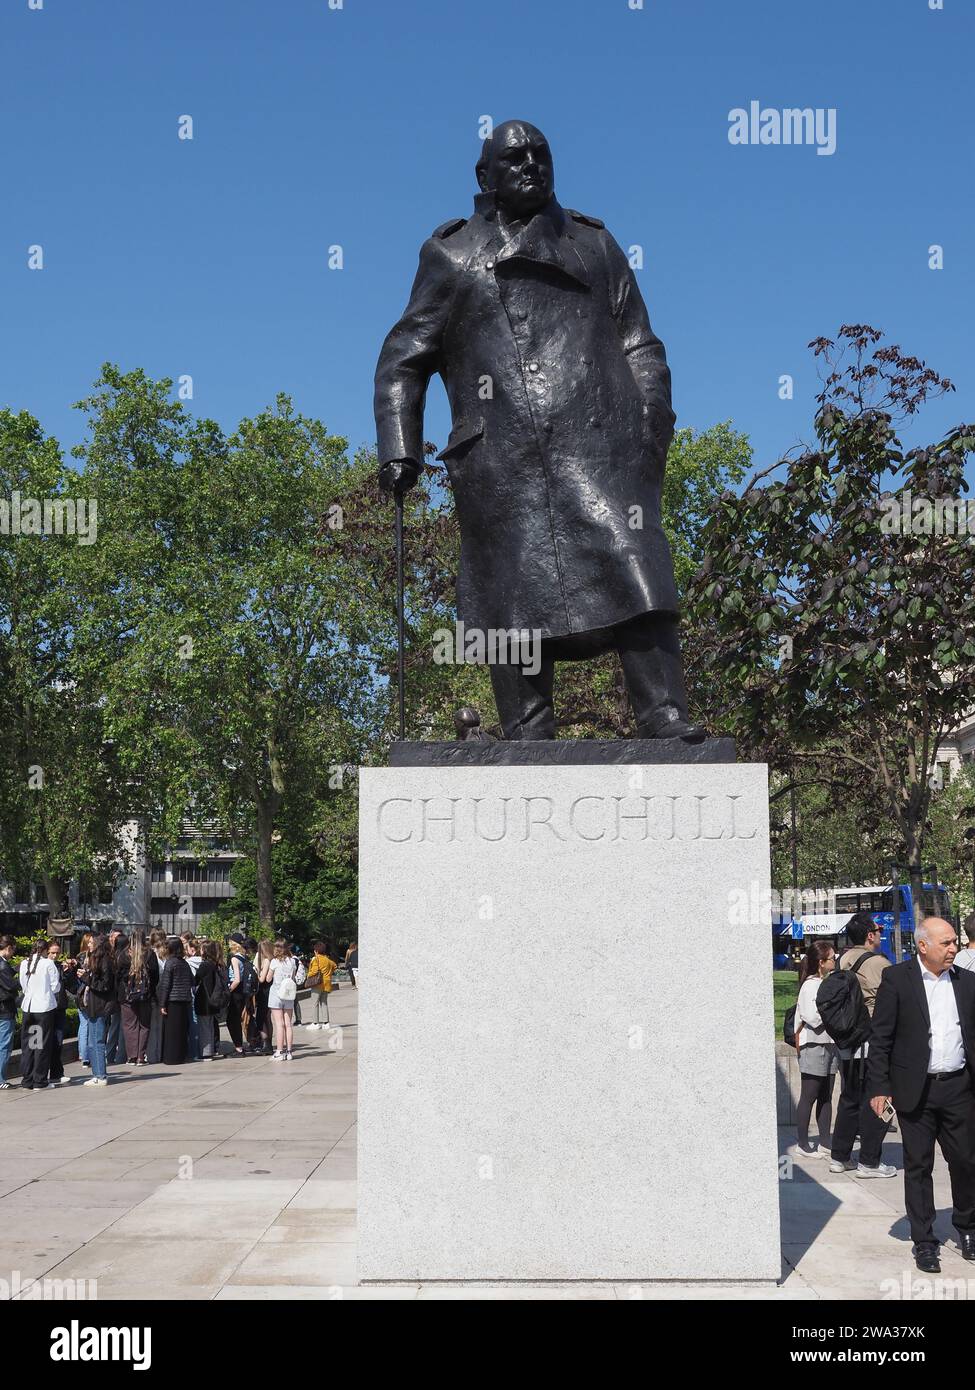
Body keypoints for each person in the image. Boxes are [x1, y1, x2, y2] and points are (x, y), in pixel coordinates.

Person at [868, 916, 975, 1274]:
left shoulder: (968, 982)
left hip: (959, 1087)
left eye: (954, 942)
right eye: (946, 943)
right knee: (918, 1166)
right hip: (916, 1090)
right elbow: (881, 1038)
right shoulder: (897, 979)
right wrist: (880, 1086)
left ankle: (967, 1227)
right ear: (923, 945)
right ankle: (924, 1241)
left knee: (965, 1162)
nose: (953, 948)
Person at [829, 911, 896, 1179]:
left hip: (847, 1041)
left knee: (849, 1099)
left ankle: (840, 1157)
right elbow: (891, 1001)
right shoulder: (878, 963)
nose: (880, 934)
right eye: (878, 931)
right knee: (879, 1098)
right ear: (870, 935)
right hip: (872, 1041)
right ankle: (869, 1162)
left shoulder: (842, 959)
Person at [793, 941, 839, 1156]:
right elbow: (811, 1017)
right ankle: (803, 1144)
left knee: (826, 1096)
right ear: (821, 963)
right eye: (832, 958)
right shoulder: (810, 986)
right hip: (813, 1044)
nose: (835, 961)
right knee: (809, 1095)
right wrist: (834, 1014)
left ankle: (825, 1142)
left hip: (829, 1044)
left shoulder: (824, 983)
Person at [19, 937, 61, 1090]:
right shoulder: (48, 963)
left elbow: (23, 984)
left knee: (30, 1044)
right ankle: (40, 1080)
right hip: (43, 1009)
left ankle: (28, 1079)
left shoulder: (24, 963)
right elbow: (55, 986)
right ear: (45, 950)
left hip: (28, 1008)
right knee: (41, 1045)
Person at [76, 932, 117, 1087]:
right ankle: (96, 1074)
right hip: (94, 1004)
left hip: (100, 1005)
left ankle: (100, 1075)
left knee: (97, 1040)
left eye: (92, 943)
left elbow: (104, 985)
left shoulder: (105, 960)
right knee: (92, 1041)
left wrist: (86, 978)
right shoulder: (97, 960)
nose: (89, 945)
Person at [116, 928, 153, 1065]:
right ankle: (141, 1056)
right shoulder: (149, 954)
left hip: (126, 995)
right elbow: (154, 975)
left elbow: (118, 975)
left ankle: (131, 1056)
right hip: (145, 995)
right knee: (144, 1025)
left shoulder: (123, 955)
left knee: (129, 1025)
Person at [157, 937, 194, 1066]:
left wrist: (162, 1003)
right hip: (185, 999)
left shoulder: (170, 963)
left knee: (171, 1031)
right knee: (182, 1030)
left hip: (172, 1000)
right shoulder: (184, 963)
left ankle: (171, 1057)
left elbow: (165, 985)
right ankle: (181, 1056)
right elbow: (192, 980)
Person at [265, 938, 299, 1061]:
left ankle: (279, 1051)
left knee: (279, 1024)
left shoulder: (274, 962)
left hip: (276, 994)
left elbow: (268, 979)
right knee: (288, 1024)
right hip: (288, 994)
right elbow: (293, 978)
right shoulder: (292, 962)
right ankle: (289, 1052)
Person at [193, 941, 227, 1060]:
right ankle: (211, 1050)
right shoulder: (216, 964)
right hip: (213, 999)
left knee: (204, 1027)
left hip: (205, 1000)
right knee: (210, 1027)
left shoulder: (205, 965)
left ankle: (206, 1053)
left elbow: (195, 980)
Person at [45, 941, 72, 1086]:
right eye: (52, 953)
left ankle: (56, 1073)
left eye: (57, 953)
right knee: (47, 1042)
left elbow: (68, 986)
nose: (55, 956)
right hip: (47, 1007)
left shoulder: (59, 967)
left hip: (59, 1006)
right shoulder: (43, 966)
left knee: (58, 1040)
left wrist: (68, 972)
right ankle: (46, 1073)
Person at [104, 928, 127, 1065]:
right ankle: (112, 1054)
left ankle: (113, 1055)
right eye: (114, 937)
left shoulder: (117, 956)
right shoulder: (111, 955)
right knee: (114, 1025)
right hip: (114, 996)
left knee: (116, 1025)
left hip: (117, 995)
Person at [145, 928, 168, 1064]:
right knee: (161, 1026)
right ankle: (159, 1053)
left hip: (154, 993)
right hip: (166, 993)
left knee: (152, 1025)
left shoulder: (149, 954)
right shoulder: (168, 954)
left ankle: (152, 1054)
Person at [0, 935, 20, 1089]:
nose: (13, 953)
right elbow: (11, 986)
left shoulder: (4, 965)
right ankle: (0, 1079)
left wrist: (16, 969)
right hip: (5, 1010)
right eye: (13, 949)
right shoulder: (2, 965)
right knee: (5, 1045)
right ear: (8, 948)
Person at [305, 941, 339, 1029]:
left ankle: (315, 1023)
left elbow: (315, 971)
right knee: (324, 1003)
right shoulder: (328, 960)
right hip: (326, 984)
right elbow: (335, 966)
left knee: (314, 1003)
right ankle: (326, 1023)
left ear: (316, 951)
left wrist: (308, 975)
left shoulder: (316, 959)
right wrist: (328, 974)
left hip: (317, 984)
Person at [182, 934, 202, 1061]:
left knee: (193, 1023)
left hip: (192, 994)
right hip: (201, 993)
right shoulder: (204, 961)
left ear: (192, 950)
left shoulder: (188, 962)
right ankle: (198, 1051)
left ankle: (194, 1052)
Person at [253, 940, 274, 1054]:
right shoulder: (273, 960)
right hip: (270, 991)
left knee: (261, 1018)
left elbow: (262, 979)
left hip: (264, 992)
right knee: (268, 1018)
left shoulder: (267, 961)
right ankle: (269, 1043)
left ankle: (266, 1044)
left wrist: (255, 973)